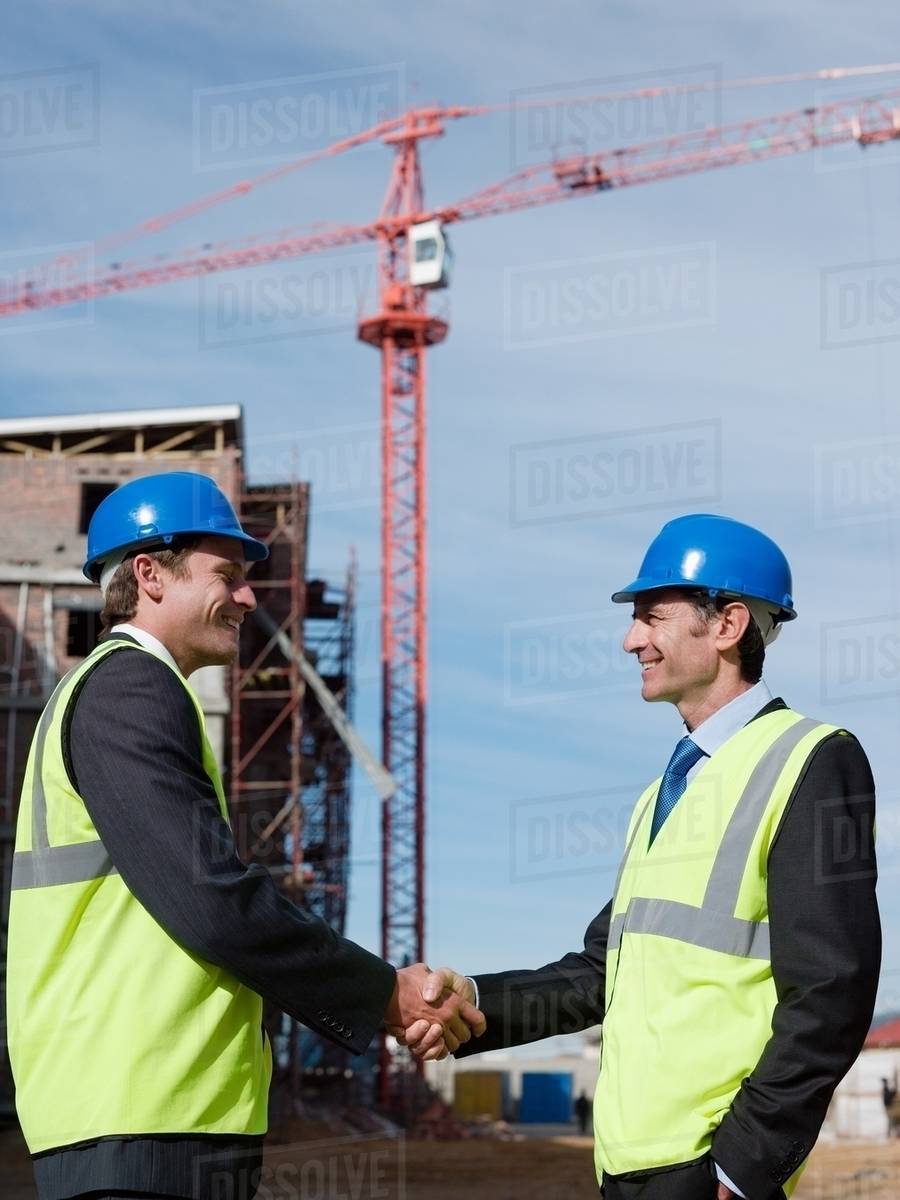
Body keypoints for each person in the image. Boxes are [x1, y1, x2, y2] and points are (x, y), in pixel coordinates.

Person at [6, 471, 485, 1200]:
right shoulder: (132, 689)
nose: (248, 597)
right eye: (226, 575)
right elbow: (213, 901)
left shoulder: (118, 694)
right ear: (149, 575)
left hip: (149, 1110)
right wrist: (384, 994)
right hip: (142, 1114)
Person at [400, 514, 881, 1200]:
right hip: (627, 1164)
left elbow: (833, 988)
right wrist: (473, 1004)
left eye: (652, 617)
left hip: (707, 1167)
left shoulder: (810, 759)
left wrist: (741, 1169)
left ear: (727, 625)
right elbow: (602, 974)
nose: (632, 640)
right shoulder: (664, 793)